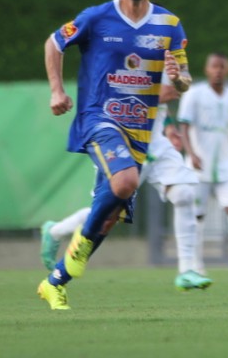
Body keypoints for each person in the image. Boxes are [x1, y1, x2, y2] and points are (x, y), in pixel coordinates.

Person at [37, 0, 191, 310]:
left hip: (140, 130)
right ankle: (74, 250)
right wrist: (56, 90)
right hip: (99, 119)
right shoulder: (96, 17)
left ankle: (55, 281)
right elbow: (54, 43)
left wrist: (178, 77)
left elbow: (184, 78)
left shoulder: (168, 24)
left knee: (110, 215)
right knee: (125, 183)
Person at [39, 78, 210, 291]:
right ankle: (55, 231)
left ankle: (187, 270)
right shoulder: (121, 52)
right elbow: (116, 97)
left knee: (183, 193)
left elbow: (166, 100)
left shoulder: (168, 55)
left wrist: (169, 127)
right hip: (121, 142)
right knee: (107, 215)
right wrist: (156, 95)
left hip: (156, 142)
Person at [178, 52, 228, 275]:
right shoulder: (194, 94)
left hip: (227, 164)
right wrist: (192, 153)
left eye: (222, 67)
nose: (218, 71)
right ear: (206, 69)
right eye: (214, 66)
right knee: (196, 215)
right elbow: (183, 127)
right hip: (197, 166)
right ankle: (196, 265)